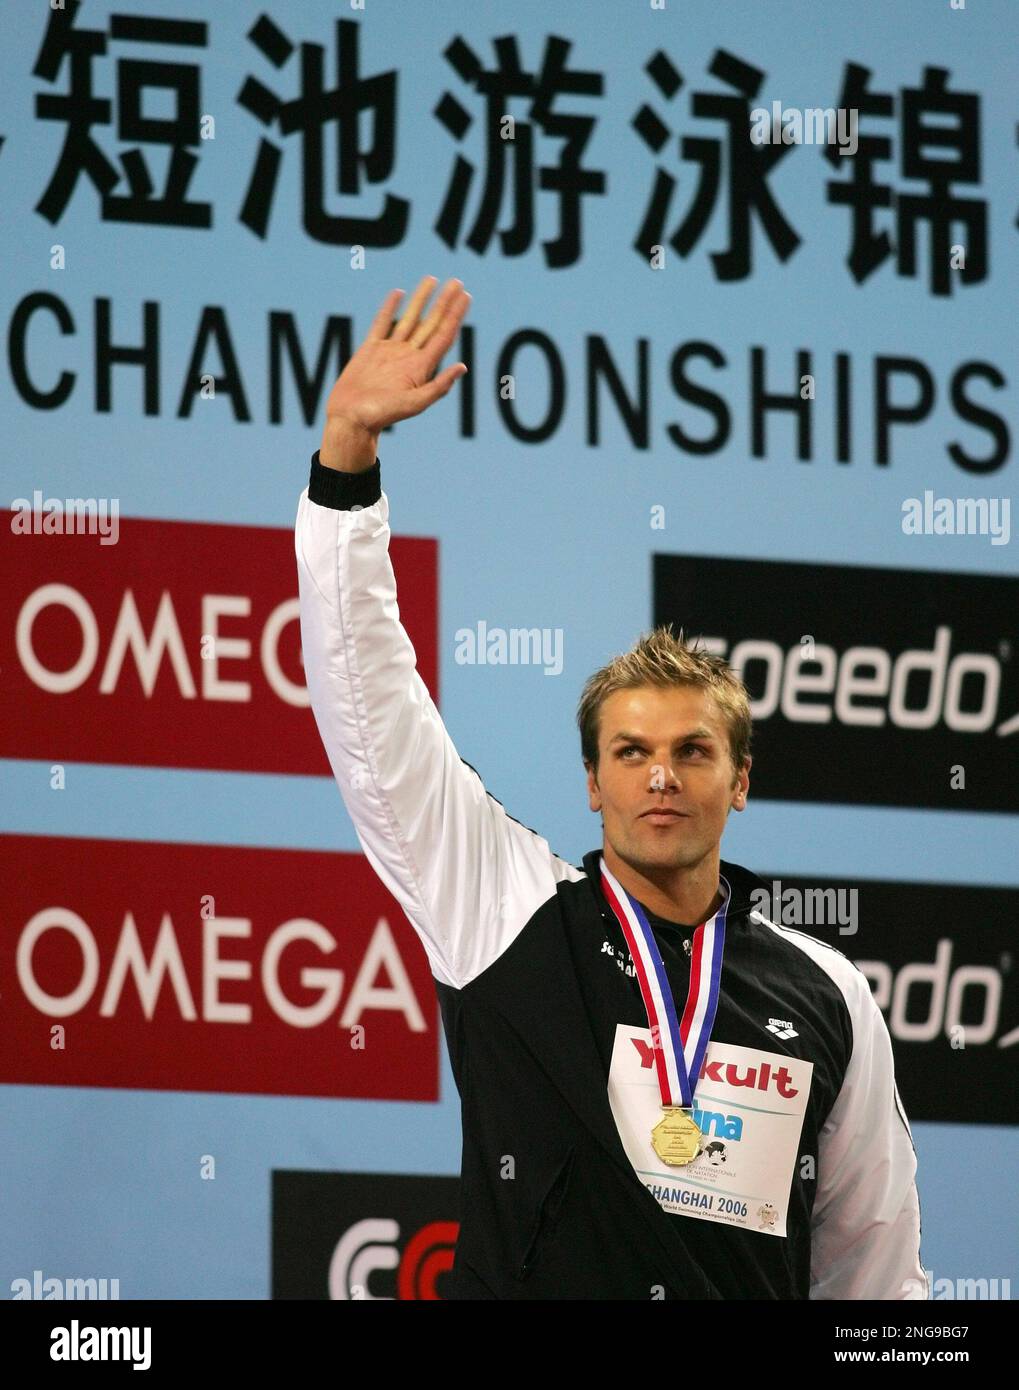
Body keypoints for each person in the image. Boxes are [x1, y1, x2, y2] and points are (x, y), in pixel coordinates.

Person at [294, 274, 926, 1300]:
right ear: (590, 783)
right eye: (629, 753)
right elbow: (369, 705)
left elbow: (872, 1272)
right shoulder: (502, 910)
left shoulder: (826, 995)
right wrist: (346, 461)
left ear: (741, 782)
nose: (661, 774)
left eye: (693, 751)